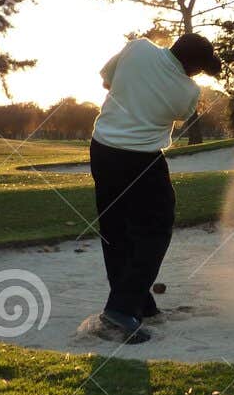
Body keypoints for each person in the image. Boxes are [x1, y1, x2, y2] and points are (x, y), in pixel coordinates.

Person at [87, 33, 222, 343]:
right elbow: (180, 114)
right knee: (156, 230)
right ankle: (121, 309)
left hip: (102, 148)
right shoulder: (188, 91)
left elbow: (107, 81)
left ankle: (139, 303)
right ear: (193, 68)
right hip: (142, 160)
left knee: (115, 228)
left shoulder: (138, 47)